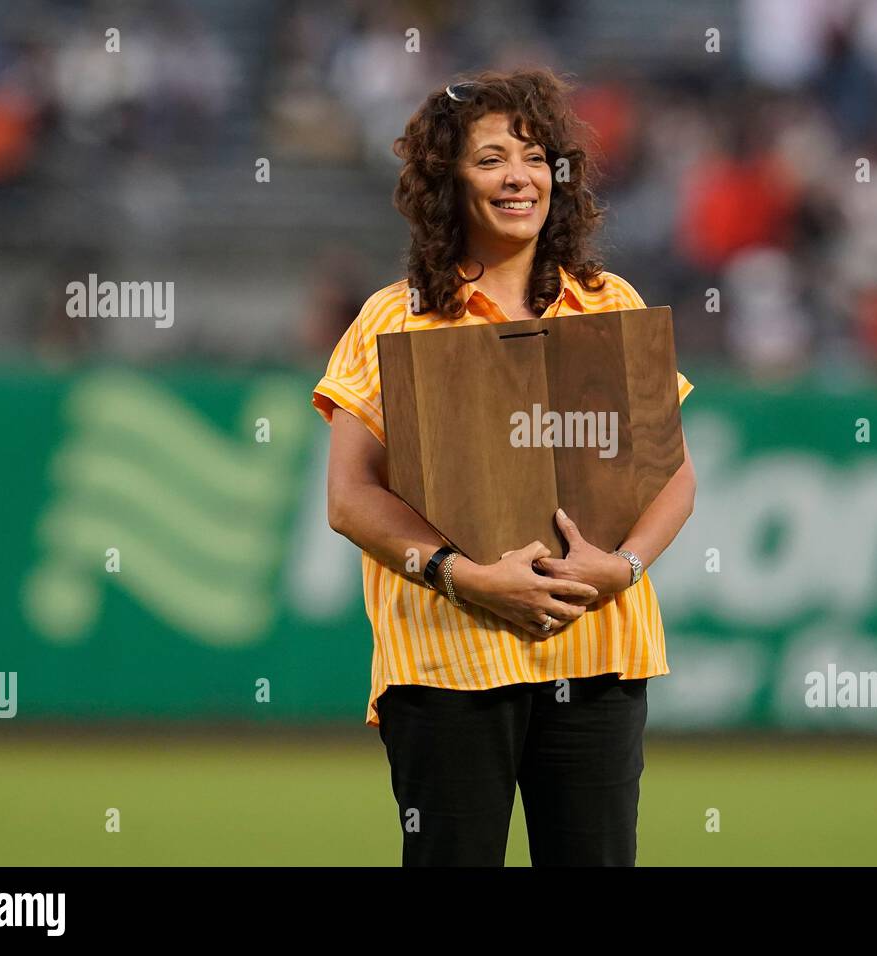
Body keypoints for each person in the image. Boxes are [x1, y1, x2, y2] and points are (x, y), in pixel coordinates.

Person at [311, 68, 696, 866]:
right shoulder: (396, 317)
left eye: (533, 157)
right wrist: (462, 573)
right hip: (447, 661)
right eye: (489, 160)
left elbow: (674, 476)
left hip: (597, 655)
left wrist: (624, 567)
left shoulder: (611, 303)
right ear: (444, 181)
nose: (518, 178)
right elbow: (350, 497)